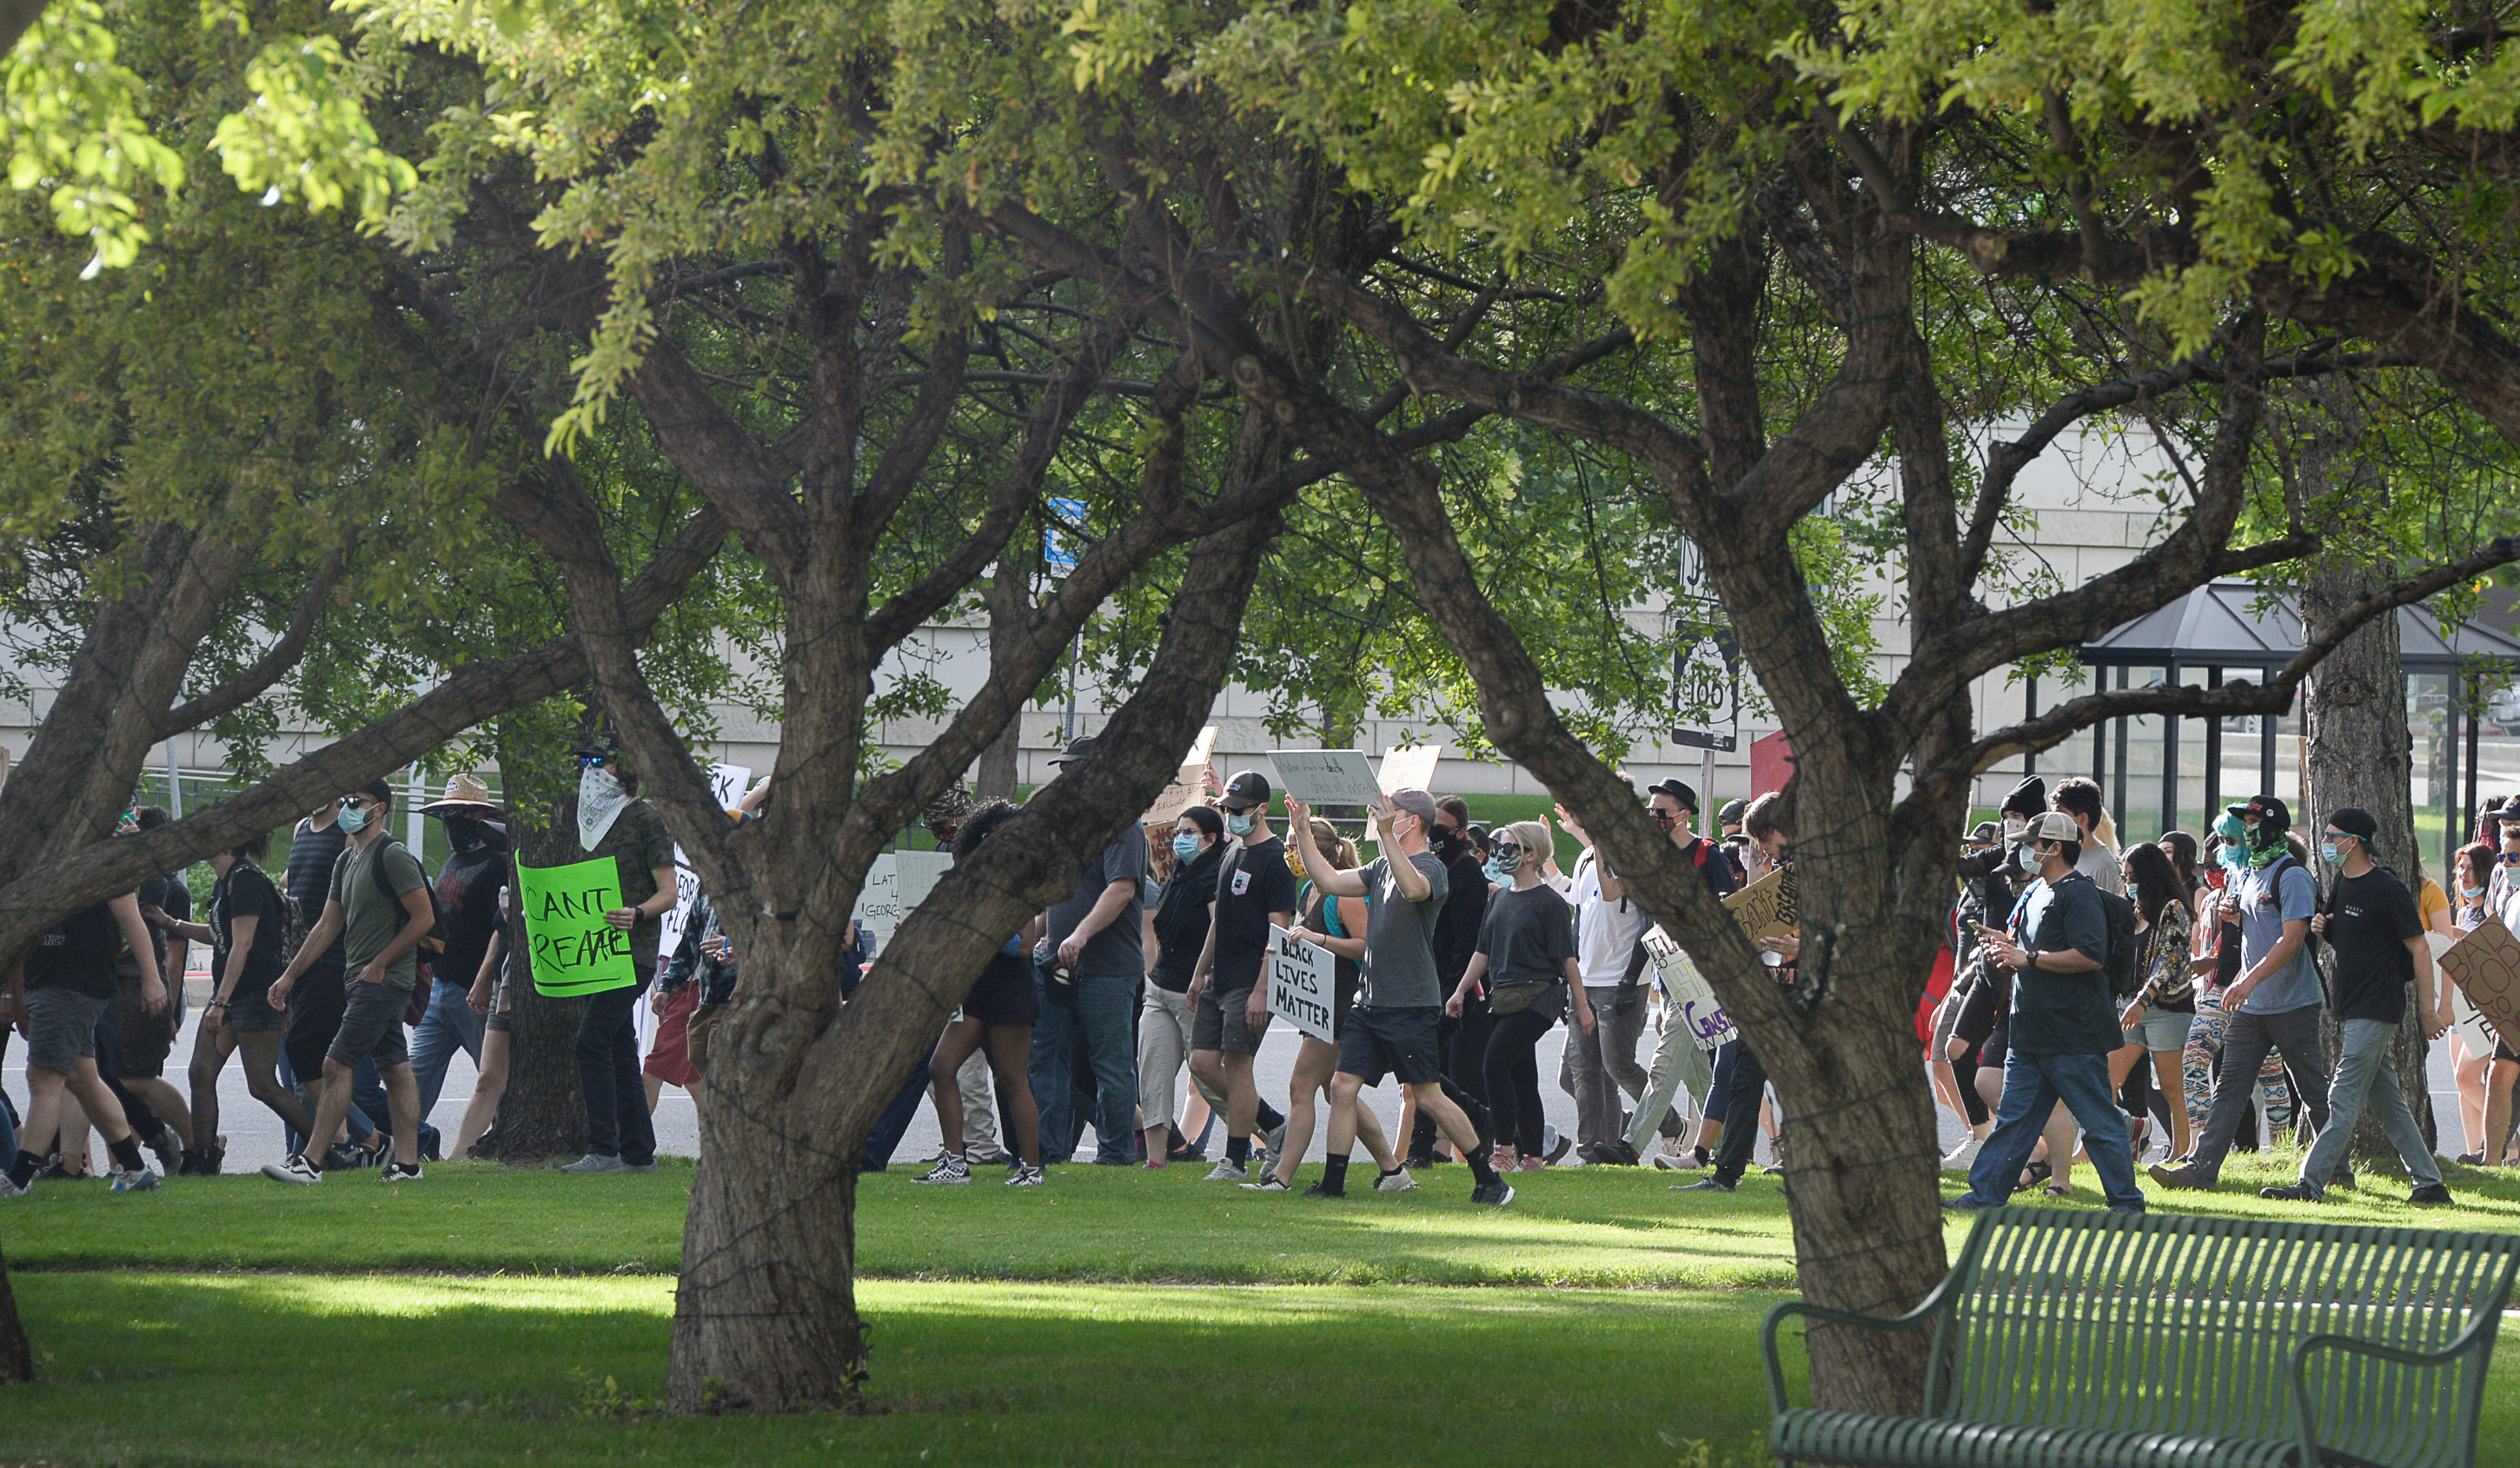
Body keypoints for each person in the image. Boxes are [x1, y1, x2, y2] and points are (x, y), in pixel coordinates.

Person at [1290, 788, 1513, 1205]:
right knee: (1341, 1087)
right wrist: (1302, 830)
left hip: (1409, 1005)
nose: (1380, 816)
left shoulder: (1432, 867)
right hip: (1369, 1002)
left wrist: (1387, 834)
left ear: (1412, 821)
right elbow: (1328, 879)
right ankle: (1333, 1184)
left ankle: (1489, 1180)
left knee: (1427, 1095)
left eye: (1392, 812)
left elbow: (1414, 890)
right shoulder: (1378, 867)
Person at [1947, 812, 2145, 1213]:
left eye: (2031, 844)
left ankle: (2127, 1205)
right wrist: (2005, 948)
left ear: (2055, 848)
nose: (2023, 851)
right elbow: (2027, 951)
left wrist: (2028, 957)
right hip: (2031, 1031)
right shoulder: (2036, 891)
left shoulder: (2078, 893)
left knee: (2100, 1122)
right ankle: (1984, 1195)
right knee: (2015, 1122)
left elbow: (2089, 955)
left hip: (2071, 1035)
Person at [2260, 808, 2451, 1206]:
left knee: (2342, 1097)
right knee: (2389, 1102)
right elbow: (2351, 940)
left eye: (2333, 837)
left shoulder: (2387, 887)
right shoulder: (2342, 885)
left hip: (2377, 1007)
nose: (2326, 843)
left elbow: (2418, 947)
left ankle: (2310, 1182)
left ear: (2355, 842)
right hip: (2351, 1007)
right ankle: (2430, 1185)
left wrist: (2429, 1012)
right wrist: (2323, 930)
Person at [2151, 795, 2335, 1192]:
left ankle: (2337, 1168)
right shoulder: (2249, 874)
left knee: (2311, 1089)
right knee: (2230, 1085)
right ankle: (2200, 1169)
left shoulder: (2292, 875)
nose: (2248, 829)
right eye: (2244, 822)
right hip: (2251, 1007)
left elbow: (2292, 940)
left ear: (2273, 828)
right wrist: (2232, 922)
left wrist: (2248, 980)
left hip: (2293, 1003)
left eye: (2254, 821)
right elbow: (2252, 933)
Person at [260, 780, 434, 1185]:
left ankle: (312, 1162)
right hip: (357, 978)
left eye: (358, 802)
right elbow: (326, 924)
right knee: (395, 1069)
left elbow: (423, 918)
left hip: (383, 982)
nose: (349, 808)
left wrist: (380, 963)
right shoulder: (347, 859)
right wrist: (288, 977)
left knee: (335, 1065)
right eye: (345, 801)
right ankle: (408, 1166)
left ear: (381, 809)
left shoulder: (393, 856)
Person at [1246, 818, 1410, 1193]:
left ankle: (1281, 1177)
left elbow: (1367, 945)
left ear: (1317, 850)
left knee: (1301, 1085)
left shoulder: (1344, 893)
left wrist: (1318, 939)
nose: (1290, 852)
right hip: (1318, 1004)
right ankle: (1393, 1169)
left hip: (1340, 1007)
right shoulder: (1309, 889)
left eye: (1295, 844)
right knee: (1335, 1091)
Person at [1025, 738, 1151, 1167]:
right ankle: (1048, 1149)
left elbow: (1122, 889)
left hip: (1108, 970)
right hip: (1055, 964)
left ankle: (1115, 1153)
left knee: (1110, 1065)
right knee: (1045, 1057)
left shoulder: (1123, 826)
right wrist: (1039, 937)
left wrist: (1078, 936)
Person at [557, 737, 677, 1175]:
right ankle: (638, 1153)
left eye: (597, 762)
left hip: (633, 954)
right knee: (620, 1046)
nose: (588, 770)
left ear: (622, 769)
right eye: (585, 761)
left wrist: (638, 913)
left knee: (591, 1041)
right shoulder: (589, 824)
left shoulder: (646, 818)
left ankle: (603, 1147)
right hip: (595, 953)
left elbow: (669, 892)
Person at [915, 800, 1047, 1186]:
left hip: (1009, 991)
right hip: (976, 990)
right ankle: (956, 1163)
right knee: (941, 1067)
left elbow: (1024, 946)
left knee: (1011, 1079)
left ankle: (1032, 1170)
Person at [2, 894, 168, 1195]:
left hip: (71, 982)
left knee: (43, 1079)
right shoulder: (40, 857)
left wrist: (152, 979)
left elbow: (131, 917)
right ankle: (135, 1168)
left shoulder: (100, 857)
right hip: (51, 980)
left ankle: (18, 1178)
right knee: (83, 1078)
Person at [1449, 820, 1591, 1171]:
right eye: (1499, 847)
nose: (1499, 854)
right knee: (1522, 1075)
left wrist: (1582, 1006)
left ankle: (1504, 1148)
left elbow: (1566, 959)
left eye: (1509, 848)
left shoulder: (1549, 903)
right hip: (1504, 998)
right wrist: (1460, 990)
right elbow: (1482, 952)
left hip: (1539, 997)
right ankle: (1534, 1157)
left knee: (1494, 1064)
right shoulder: (1498, 898)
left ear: (1531, 854)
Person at [1616, 781, 1743, 1166]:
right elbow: (1649, 925)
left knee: (1666, 1060)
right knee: (1697, 1070)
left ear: (1682, 816)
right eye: (1650, 811)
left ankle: (1630, 1145)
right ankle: (1725, 1146)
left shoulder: (1708, 854)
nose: (1653, 818)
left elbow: (1728, 909)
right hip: (1667, 976)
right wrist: (1631, 978)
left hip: (1700, 975)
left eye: (1660, 813)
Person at [175, 831, 313, 1172]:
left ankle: (325, 1147)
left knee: (262, 1085)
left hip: (253, 994)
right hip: (233, 995)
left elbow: (243, 944)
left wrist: (219, 1002)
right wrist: (172, 924)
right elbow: (220, 934)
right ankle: (203, 1158)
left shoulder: (246, 880)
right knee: (200, 1072)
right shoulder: (227, 882)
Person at [1676, 791, 1792, 1193]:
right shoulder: (1787, 866)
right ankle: (1727, 1172)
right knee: (1746, 1073)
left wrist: (1803, 948)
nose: (1761, 849)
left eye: (1764, 839)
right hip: (1777, 988)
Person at [1187, 768, 1296, 1180]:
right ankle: (1272, 1125)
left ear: (1261, 810)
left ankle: (1233, 1160)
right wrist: (1200, 972)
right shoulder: (1233, 852)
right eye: (1227, 808)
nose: (1231, 815)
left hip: (1251, 980)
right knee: (1201, 1062)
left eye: (1239, 809)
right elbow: (1220, 920)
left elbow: (1280, 929)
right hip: (1221, 977)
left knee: (1238, 1064)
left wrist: (1262, 989)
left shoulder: (1275, 860)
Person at [410, 774, 510, 1159]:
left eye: (458, 813)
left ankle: (502, 1145)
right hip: (440, 987)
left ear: (479, 815)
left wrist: (484, 980)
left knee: (495, 1079)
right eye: (445, 814)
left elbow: (501, 928)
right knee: (415, 1077)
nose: (450, 821)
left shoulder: (497, 864)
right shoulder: (453, 861)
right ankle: (406, 1148)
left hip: (475, 994)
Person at [1560, 788, 1655, 1165]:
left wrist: (1631, 983)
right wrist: (1571, 979)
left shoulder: (1635, 858)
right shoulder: (1586, 857)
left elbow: (1644, 922)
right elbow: (1581, 918)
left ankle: (1669, 1126)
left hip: (1620, 981)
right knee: (1581, 1075)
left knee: (1617, 1068)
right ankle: (1596, 1153)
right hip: (1586, 981)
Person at [1407, 796, 1493, 1170]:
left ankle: (1427, 1146)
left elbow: (1467, 941)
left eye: (1442, 829)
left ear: (1460, 832)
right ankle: (1429, 1147)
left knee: (1428, 1070)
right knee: (1427, 1069)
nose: (1436, 835)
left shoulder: (1467, 875)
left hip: (1454, 988)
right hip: (1428, 981)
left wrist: (1452, 992)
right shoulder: (1433, 869)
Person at [1141, 805, 1224, 1166]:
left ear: (1211, 839)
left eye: (1189, 833)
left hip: (1193, 992)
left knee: (1208, 1078)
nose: (1180, 839)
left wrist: (1203, 975)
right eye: (1178, 832)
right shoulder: (1179, 871)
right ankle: (1156, 1160)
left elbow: (1217, 929)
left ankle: (1267, 1134)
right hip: (1160, 989)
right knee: (1152, 1077)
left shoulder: (1216, 874)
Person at [2112, 841, 2196, 1164]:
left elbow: (2169, 960)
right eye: (2125, 876)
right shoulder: (2131, 911)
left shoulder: (2172, 908)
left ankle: (2182, 1152)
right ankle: (2101, 1146)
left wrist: (2143, 1000)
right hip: (2131, 1007)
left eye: (2134, 876)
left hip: (2167, 1009)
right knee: (2106, 1080)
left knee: (2172, 1088)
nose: (2129, 883)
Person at [120, 807, 196, 1158]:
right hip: (138, 987)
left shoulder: (169, 889)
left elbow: (175, 958)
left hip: (158, 989)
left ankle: (196, 1145)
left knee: (140, 1077)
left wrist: (172, 1010)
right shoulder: (143, 879)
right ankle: (124, 1159)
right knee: (122, 1077)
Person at [449, 886, 514, 1161]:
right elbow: (500, 929)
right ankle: (458, 1158)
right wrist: (485, 975)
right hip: (510, 976)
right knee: (488, 1078)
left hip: (559, 970)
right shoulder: (515, 863)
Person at [2049, 776, 2124, 895]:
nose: (2054, 821)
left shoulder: (2103, 867)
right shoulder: (2059, 855)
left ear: (2082, 819)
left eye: (2061, 815)